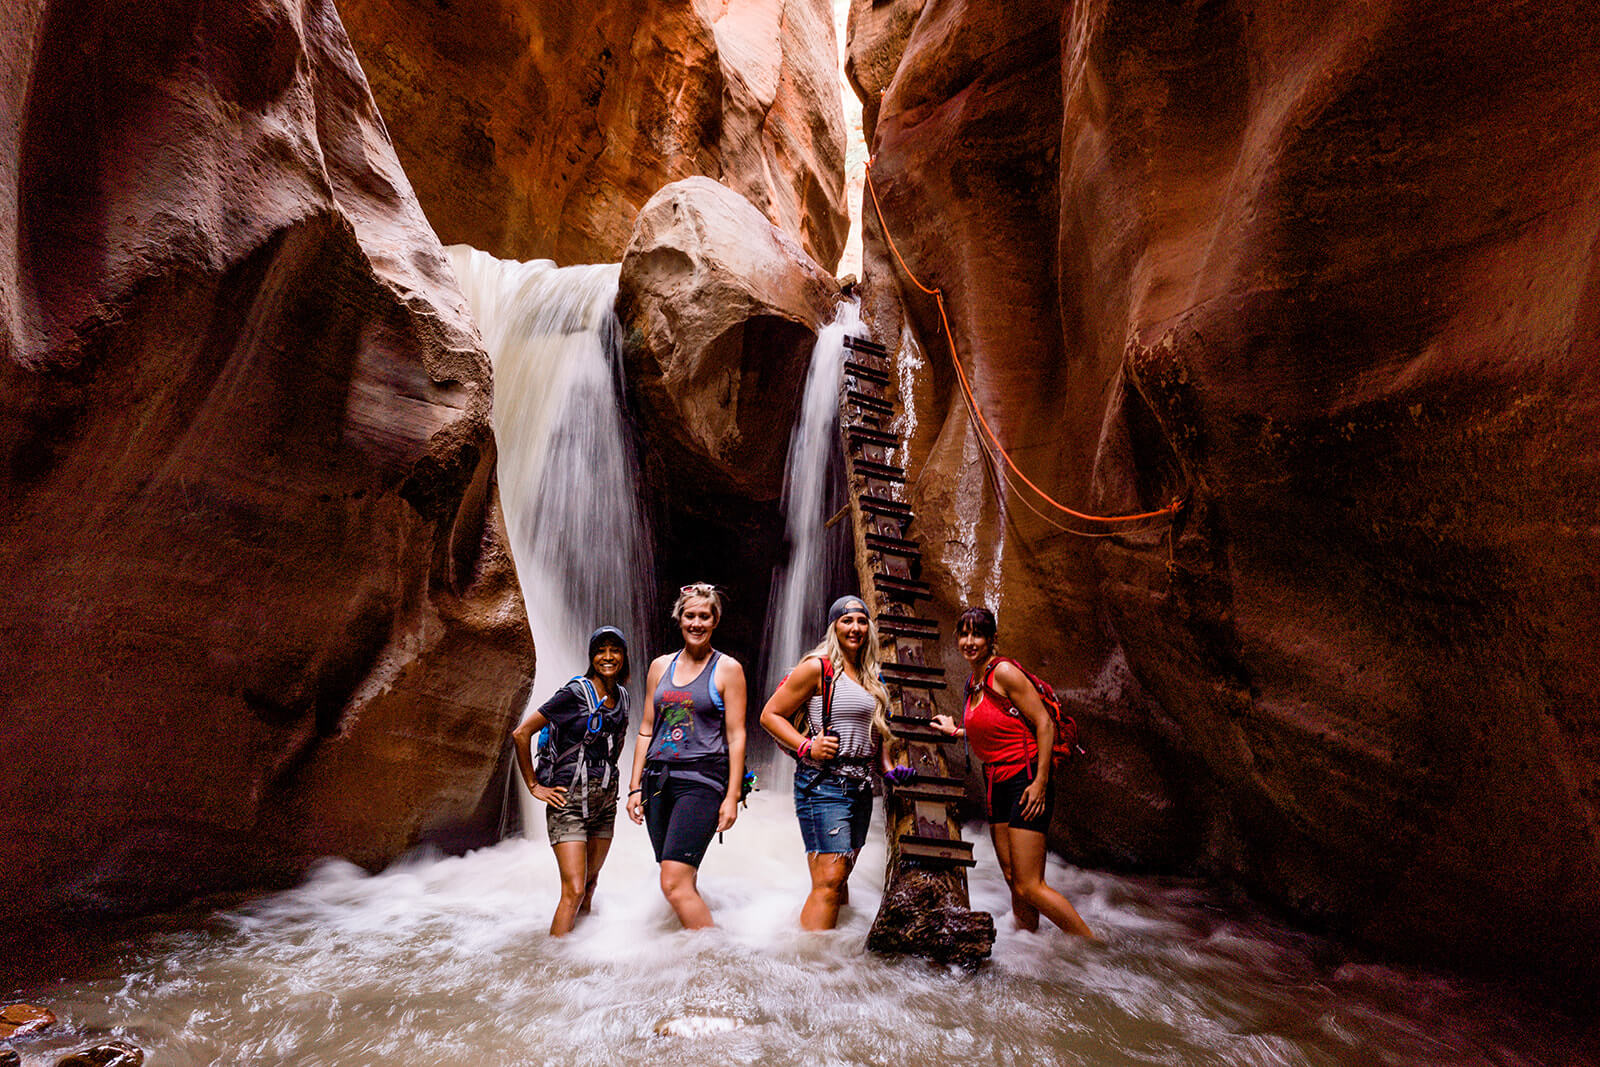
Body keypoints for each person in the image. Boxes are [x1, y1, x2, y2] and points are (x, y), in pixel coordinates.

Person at [932, 607, 1094, 939]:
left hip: (1025, 778)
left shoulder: (1003, 672)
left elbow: (1044, 724)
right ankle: (1028, 942)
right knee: (1011, 875)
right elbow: (996, 727)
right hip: (996, 782)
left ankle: (1094, 945)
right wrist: (957, 731)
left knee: (1030, 885)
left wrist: (1040, 782)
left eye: (977, 634)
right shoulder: (974, 682)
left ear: (992, 639)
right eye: (963, 634)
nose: (969, 641)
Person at [759, 595, 893, 931]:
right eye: (847, 621)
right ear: (834, 627)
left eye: (862, 621)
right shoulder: (818, 668)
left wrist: (887, 767)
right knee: (830, 879)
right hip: (824, 782)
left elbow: (875, 731)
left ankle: (834, 955)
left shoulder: (871, 675)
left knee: (839, 875)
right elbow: (770, 715)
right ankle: (813, 968)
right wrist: (807, 746)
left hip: (861, 785)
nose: (855, 628)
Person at [626, 582, 748, 929]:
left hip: (703, 781)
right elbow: (647, 728)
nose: (697, 623)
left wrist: (732, 796)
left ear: (715, 621)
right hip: (658, 782)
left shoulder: (728, 670)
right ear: (679, 619)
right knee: (680, 874)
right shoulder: (659, 667)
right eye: (690, 615)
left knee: (672, 882)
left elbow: (737, 736)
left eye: (705, 617)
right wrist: (634, 786)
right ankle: (689, 959)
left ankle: (715, 959)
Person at [511, 626, 632, 937]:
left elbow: (613, 750)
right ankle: (553, 967)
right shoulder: (575, 693)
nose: (608, 657)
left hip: (605, 803)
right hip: (567, 802)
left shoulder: (623, 698)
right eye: (601, 650)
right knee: (574, 890)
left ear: (623, 656)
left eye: (614, 650)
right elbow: (522, 734)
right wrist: (535, 785)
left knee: (590, 885)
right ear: (591, 657)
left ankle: (580, 957)